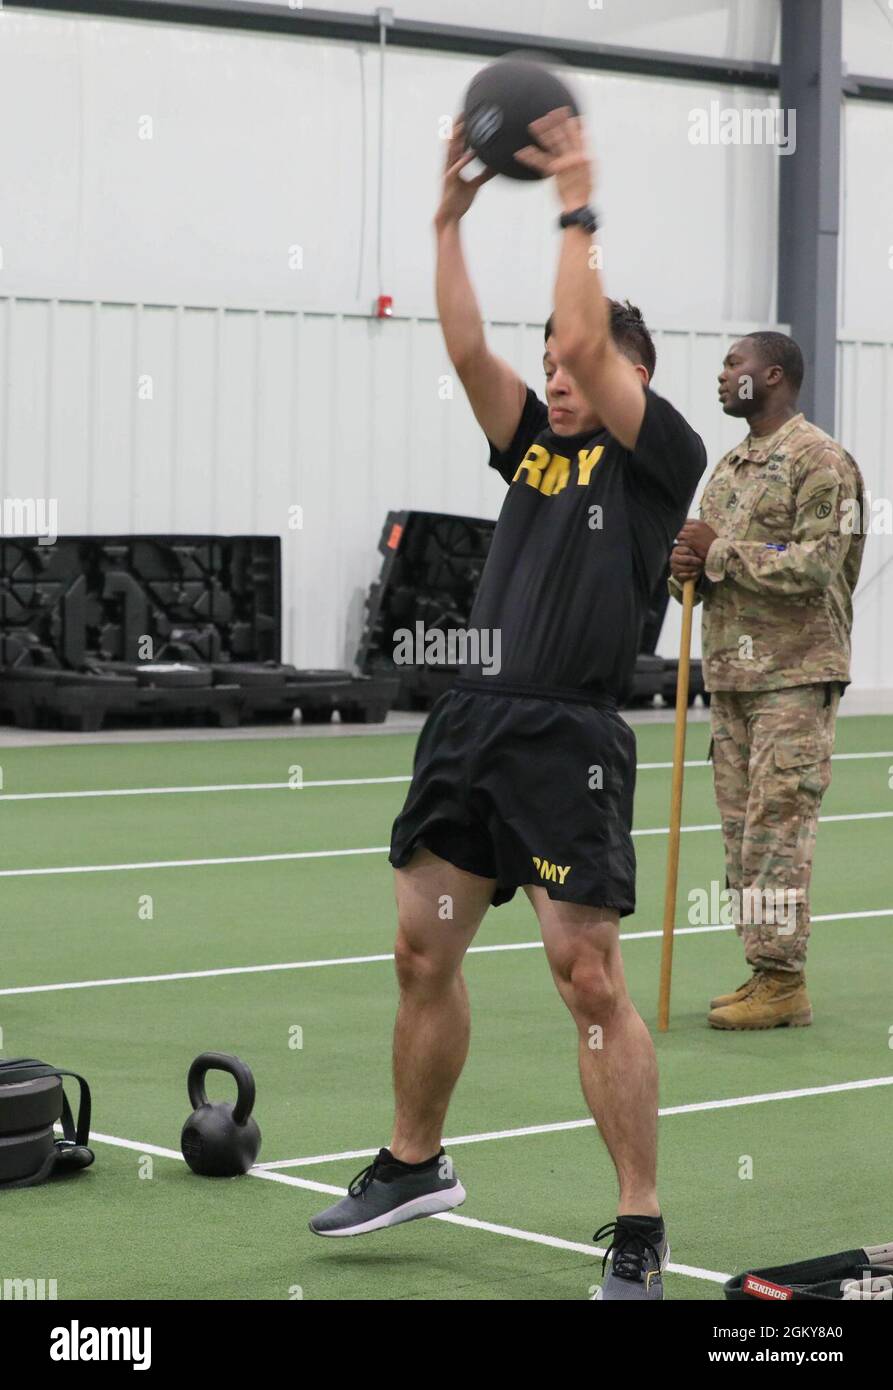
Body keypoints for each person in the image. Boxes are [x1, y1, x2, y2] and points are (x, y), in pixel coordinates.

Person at [311, 109, 706, 1301]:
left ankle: (636, 1226)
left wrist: (576, 197)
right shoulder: (532, 448)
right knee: (418, 947)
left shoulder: (656, 461)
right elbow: (465, 342)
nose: (555, 374)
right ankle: (414, 1159)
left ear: (629, 374)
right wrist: (445, 222)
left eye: (576, 362)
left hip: (565, 742)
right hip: (469, 733)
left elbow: (584, 336)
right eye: (549, 364)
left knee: (586, 982)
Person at [670, 332, 866, 1029]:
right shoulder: (728, 468)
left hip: (793, 673)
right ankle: (763, 970)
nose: (722, 377)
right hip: (731, 680)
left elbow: (817, 562)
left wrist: (718, 552)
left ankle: (784, 982)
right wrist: (684, 568)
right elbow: (700, 564)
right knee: (743, 840)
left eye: (734, 365)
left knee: (778, 833)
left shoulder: (819, 460)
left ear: (772, 375)